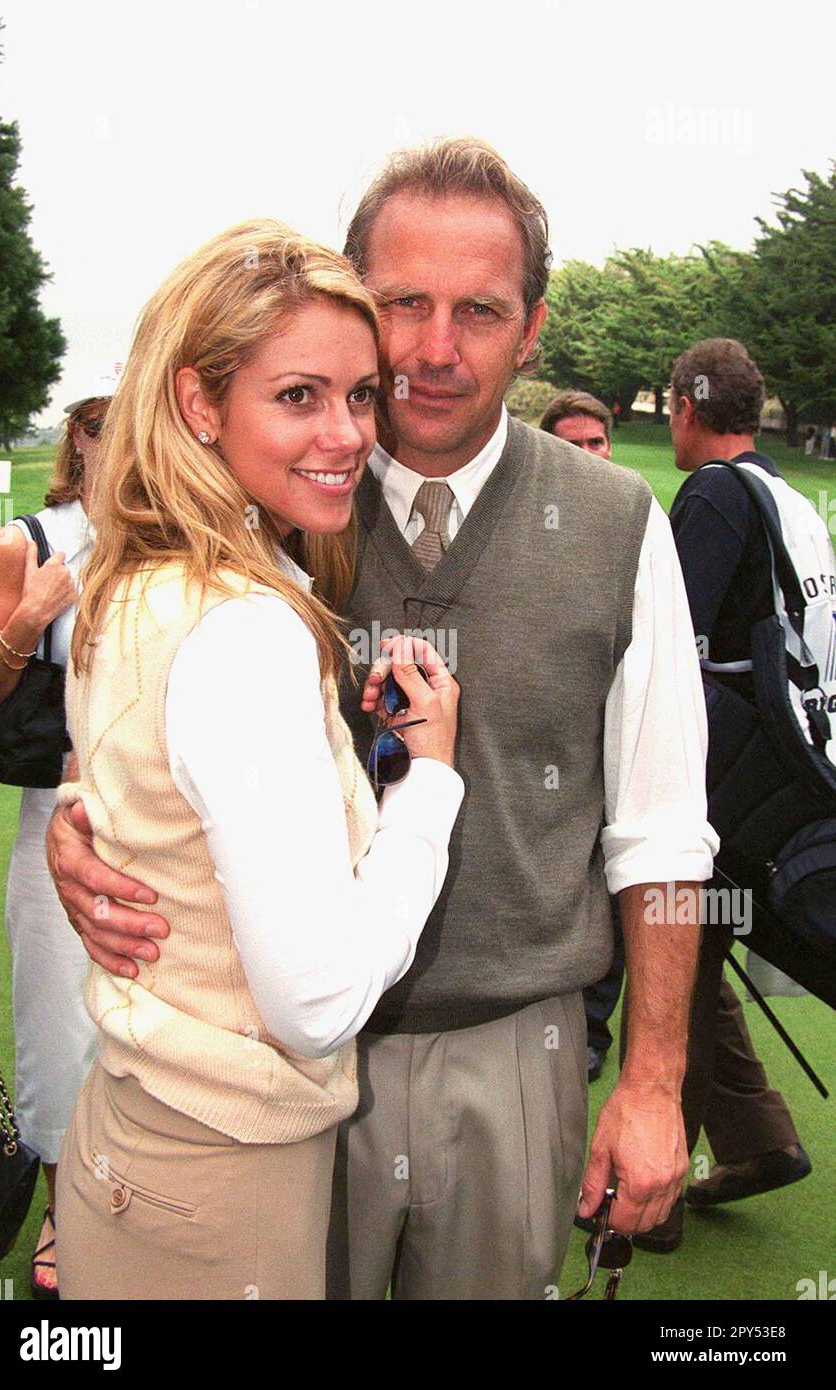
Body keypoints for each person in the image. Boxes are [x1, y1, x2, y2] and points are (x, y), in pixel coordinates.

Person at [48, 139, 717, 1301]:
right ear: (357, 301)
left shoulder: (616, 522)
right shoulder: (274, 489)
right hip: (276, 1072)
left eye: (480, 309)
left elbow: (659, 829)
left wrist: (655, 1081)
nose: (435, 349)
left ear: (534, 325)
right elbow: (155, 698)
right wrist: (82, 812)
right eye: (403, 303)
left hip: (512, 1049)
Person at [51, 220, 464, 1301]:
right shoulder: (242, 626)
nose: (344, 433)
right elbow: (316, 1004)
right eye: (297, 396)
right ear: (198, 403)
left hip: (136, 1138)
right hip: (217, 1179)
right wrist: (429, 789)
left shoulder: (139, 575)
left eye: (360, 394)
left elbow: (141, 775)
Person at [657, 337, 813, 1253]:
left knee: (678, 965)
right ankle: (759, 1139)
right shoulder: (787, 493)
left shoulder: (716, 492)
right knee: (696, 960)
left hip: (719, 793)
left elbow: (668, 640)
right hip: (774, 787)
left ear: (685, 405)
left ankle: (655, 1195)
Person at [0, 381, 112, 1297]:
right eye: (107, 430)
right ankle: (63, 1211)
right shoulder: (31, 540)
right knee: (61, 1032)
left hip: (170, 827)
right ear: (81, 441)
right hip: (56, 819)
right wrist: (30, 618)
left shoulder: (185, 533)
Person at [540, 388, 624, 1081]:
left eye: (598, 444)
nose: (588, 458)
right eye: (573, 445)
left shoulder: (626, 532)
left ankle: (593, 1030)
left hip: (611, 768)